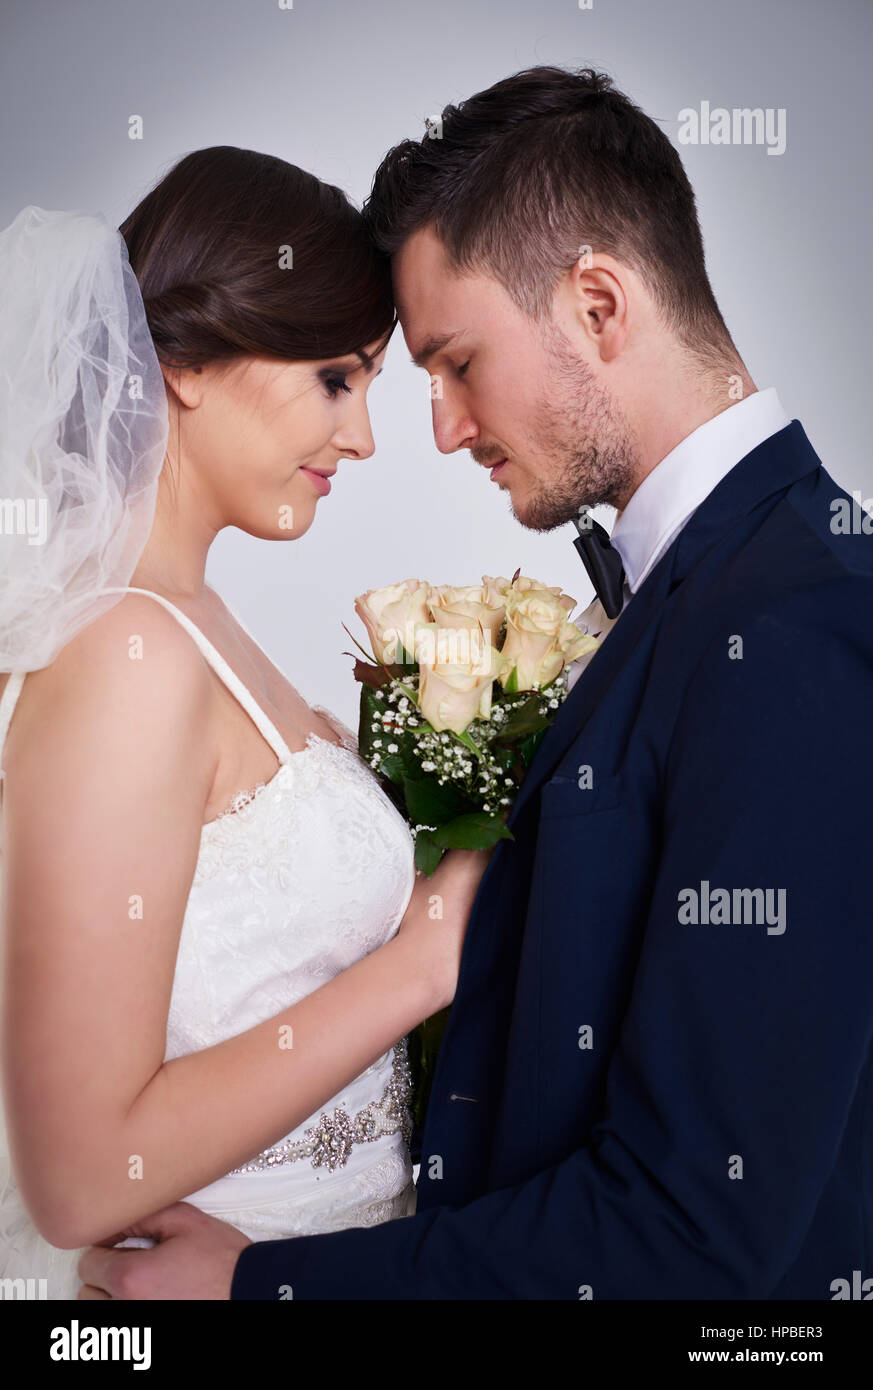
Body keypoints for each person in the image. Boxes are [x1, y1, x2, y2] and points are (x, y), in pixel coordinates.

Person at [77, 64, 873, 1301]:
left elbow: (696, 1230)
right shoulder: (710, 589)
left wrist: (271, 1287)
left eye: (452, 362)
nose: (438, 430)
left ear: (598, 305)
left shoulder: (799, 624)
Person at [0, 150, 490, 1301]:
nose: (365, 438)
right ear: (187, 367)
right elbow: (77, 1176)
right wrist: (425, 960)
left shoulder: (194, 622)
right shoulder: (129, 652)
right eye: (335, 378)